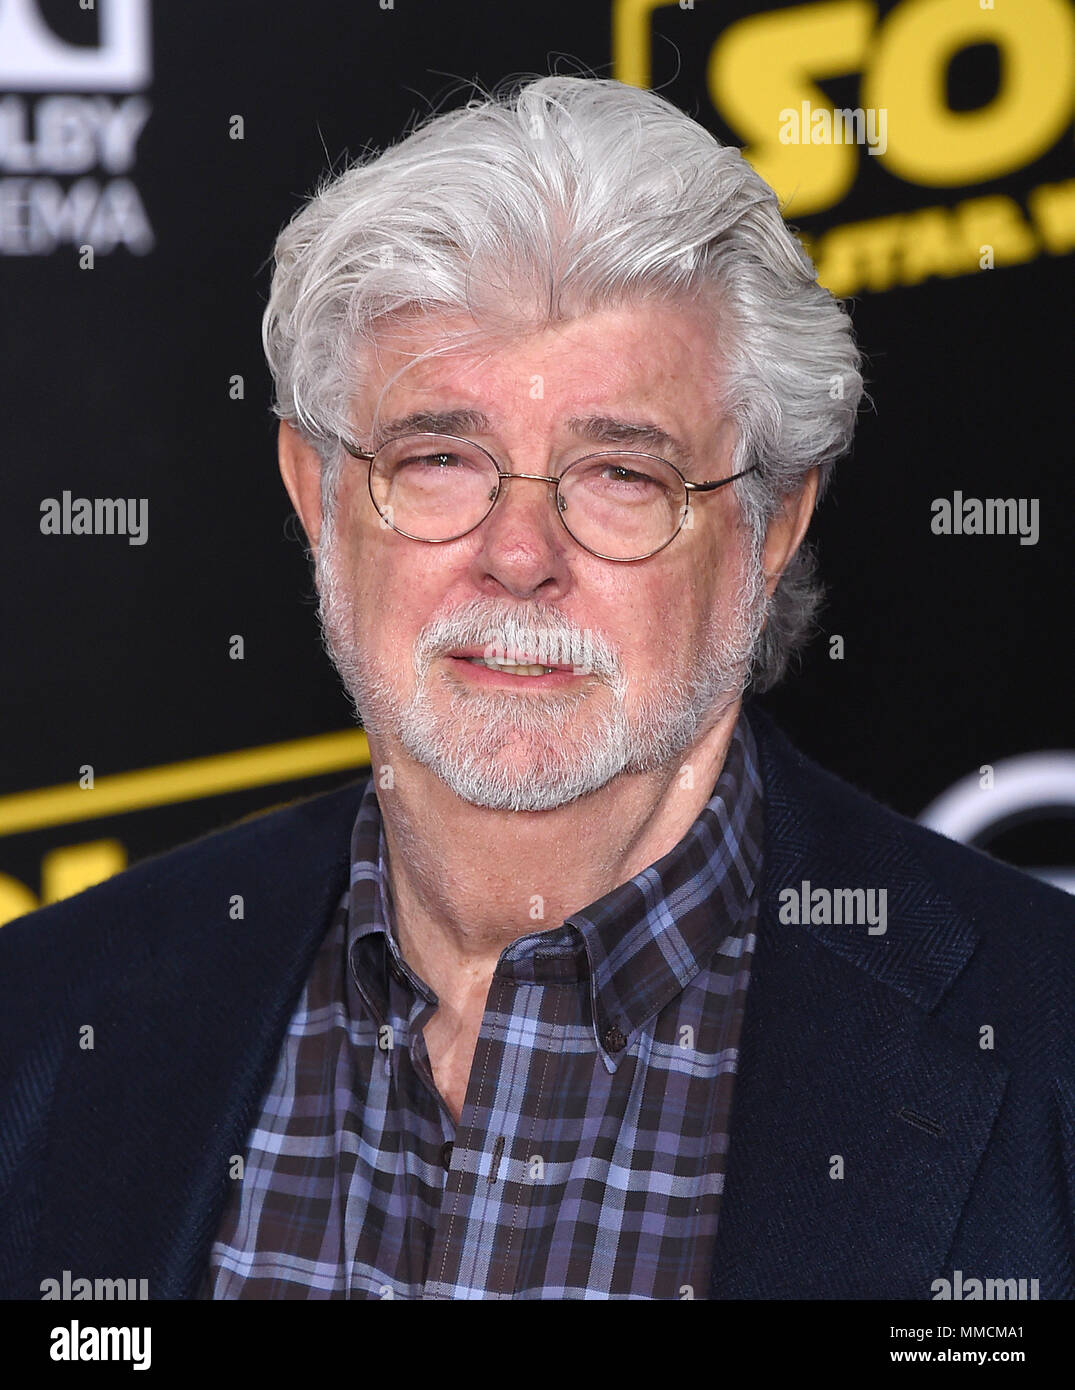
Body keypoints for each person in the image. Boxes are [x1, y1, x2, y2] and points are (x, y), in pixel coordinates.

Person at [1, 74, 1071, 1302]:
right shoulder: (45, 1025)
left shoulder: (1046, 1049)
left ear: (771, 531)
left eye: (621, 473)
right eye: (441, 458)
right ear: (317, 494)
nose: (518, 557)